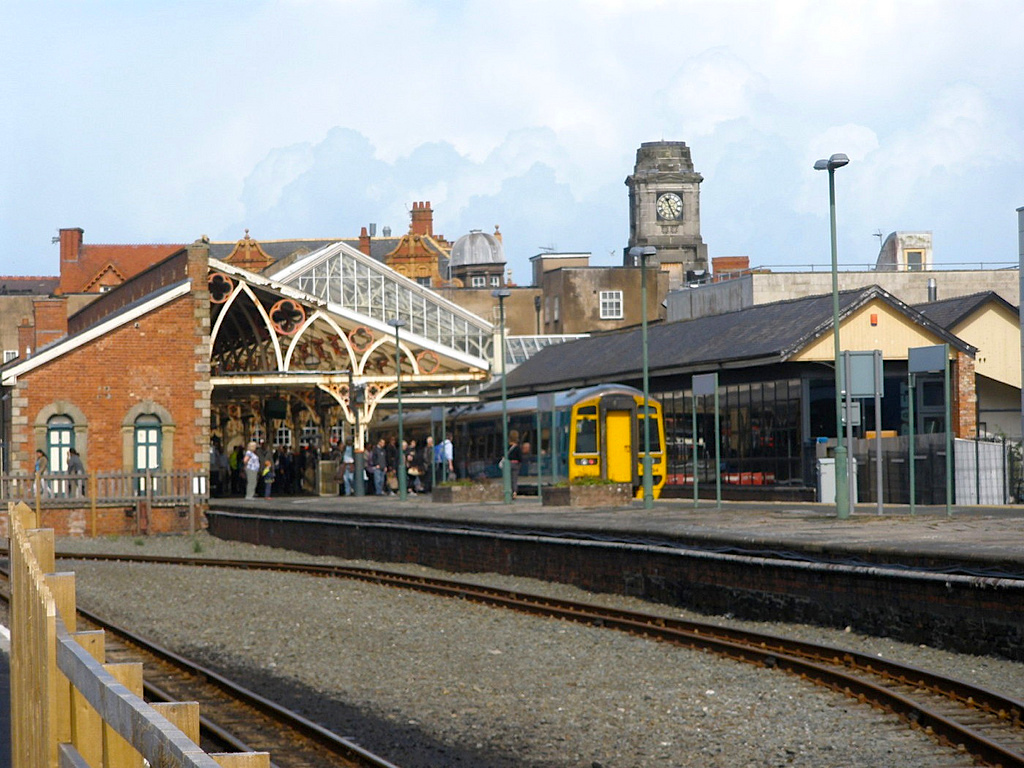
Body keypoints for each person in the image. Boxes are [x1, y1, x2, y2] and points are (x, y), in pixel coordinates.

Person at [506, 430, 522, 499]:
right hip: (516, 464)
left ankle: (508, 492)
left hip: (508, 464)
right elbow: (520, 458)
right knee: (514, 479)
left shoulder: (507, 447)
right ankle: (514, 493)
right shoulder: (517, 448)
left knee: (508, 479)